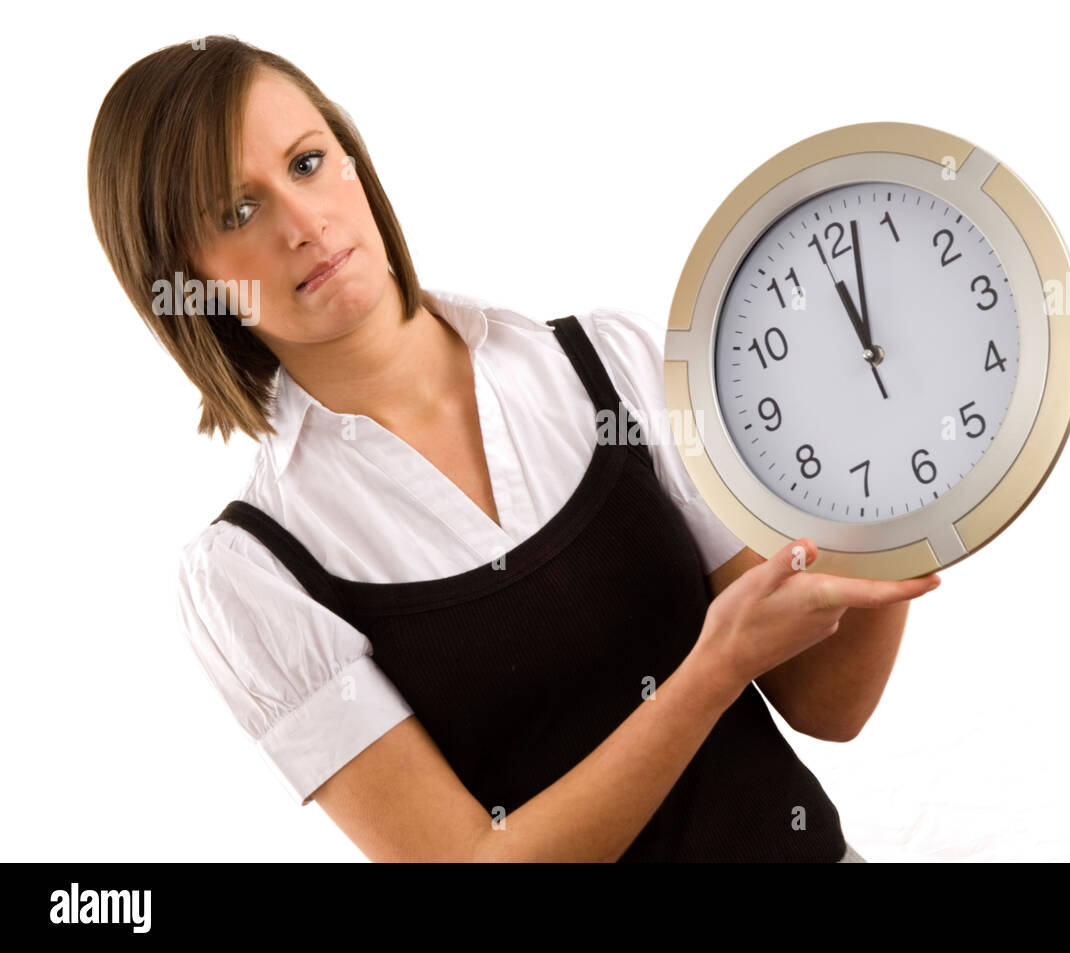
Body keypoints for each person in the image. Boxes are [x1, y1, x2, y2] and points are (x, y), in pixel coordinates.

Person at [87, 35, 941, 862]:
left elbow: (826, 704)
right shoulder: (253, 570)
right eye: (239, 211)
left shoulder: (611, 364)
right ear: (187, 278)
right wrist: (714, 667)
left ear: (353, 161)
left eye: (308, 163)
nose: (304, 222)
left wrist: (891, 474)